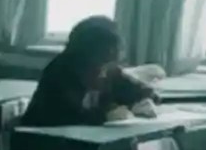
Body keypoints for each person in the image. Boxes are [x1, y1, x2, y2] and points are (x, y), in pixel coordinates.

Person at [19, 16, 158, 127]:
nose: (106, 68)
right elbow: (62, 116)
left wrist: (144, 100)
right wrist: (104, 116)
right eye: (106, 55)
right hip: (44, 145)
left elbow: (132, 90)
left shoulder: (108, 69)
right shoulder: (61, 72)